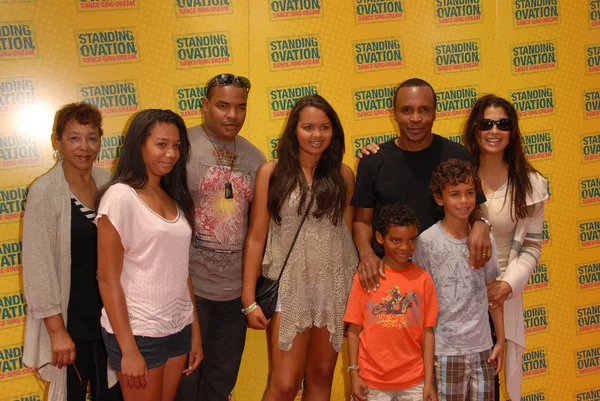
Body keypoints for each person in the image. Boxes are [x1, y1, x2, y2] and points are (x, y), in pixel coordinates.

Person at [241, 94, 358, 400]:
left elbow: (345, 240)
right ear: (294, 129)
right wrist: (249, 298)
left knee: (321, 380)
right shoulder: (272, 172)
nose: (317, 135)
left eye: (325, 127)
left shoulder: (343, 175)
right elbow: (256, 237)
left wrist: (354, 298)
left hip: (332, 289)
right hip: (290, 288)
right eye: (308, 127)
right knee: (285, 384)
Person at [96, 109, 202, 401]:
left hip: (178, 325)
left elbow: (182, 272)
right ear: (139, 145)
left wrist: (193, 332)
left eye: (177, 145)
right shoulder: (119, 197)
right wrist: (128, 349)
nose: (171, 153)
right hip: (138, 330)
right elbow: (107, 280)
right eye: (161, 144)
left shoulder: (174, 196)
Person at [352, 78, 492, 294]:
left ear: (435, 113)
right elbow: (362, 220)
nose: (415, 118)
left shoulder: (457, 155)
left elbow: (473, 206)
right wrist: (367, 255)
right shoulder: (373, 161)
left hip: (447, 278)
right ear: (395, 113)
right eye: (407, 110)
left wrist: (481, 224)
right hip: (391, 278)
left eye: (424, 110)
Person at [22, 103, 122, 401]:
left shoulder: (109, 183)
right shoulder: (45, 192)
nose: (84, 147)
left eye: (92, 137)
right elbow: (38, 267)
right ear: (57, 142)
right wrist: (57, 332)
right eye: (74, 138)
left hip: (110, 319)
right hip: (71, 323)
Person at [175, 74, 266, 401]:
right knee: (184, 385)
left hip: (234, 295)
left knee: (220, 384)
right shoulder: (180, 148)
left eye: (240, 107)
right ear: (205, 106)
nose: (232, 115)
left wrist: (249, 291)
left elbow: (259, 230)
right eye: (223, 105)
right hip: (187, 290)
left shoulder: (256, 159)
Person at [463, 95, 548, 400]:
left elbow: (533, 245)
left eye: (503, 124)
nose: (494, 131)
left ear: (512, 132)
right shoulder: (459, 175)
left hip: (500, 297)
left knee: (490, 384)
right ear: (475, 129)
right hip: (458, 296)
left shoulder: (530, 183)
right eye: (487, 123)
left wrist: (507, 286)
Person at [412, 159, 505, 401]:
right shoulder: (426, 242)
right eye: (455, 194)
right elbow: (420, 303)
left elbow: (493, 292)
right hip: (443, 352)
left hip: (483, 349)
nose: (464, 201)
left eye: (470, 193)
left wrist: (500, 339)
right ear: (439, 198)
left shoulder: (486, 241)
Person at [344, 204, 438, 401]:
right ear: (380, 238)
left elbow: (428, 333)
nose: (405, 247)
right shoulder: (366, 278)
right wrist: (354, 373)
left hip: (414, 383)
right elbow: (353, 330)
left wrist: (428, 382)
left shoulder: (423, 280)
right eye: (396, 240)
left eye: (411, 240)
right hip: (371, 383)